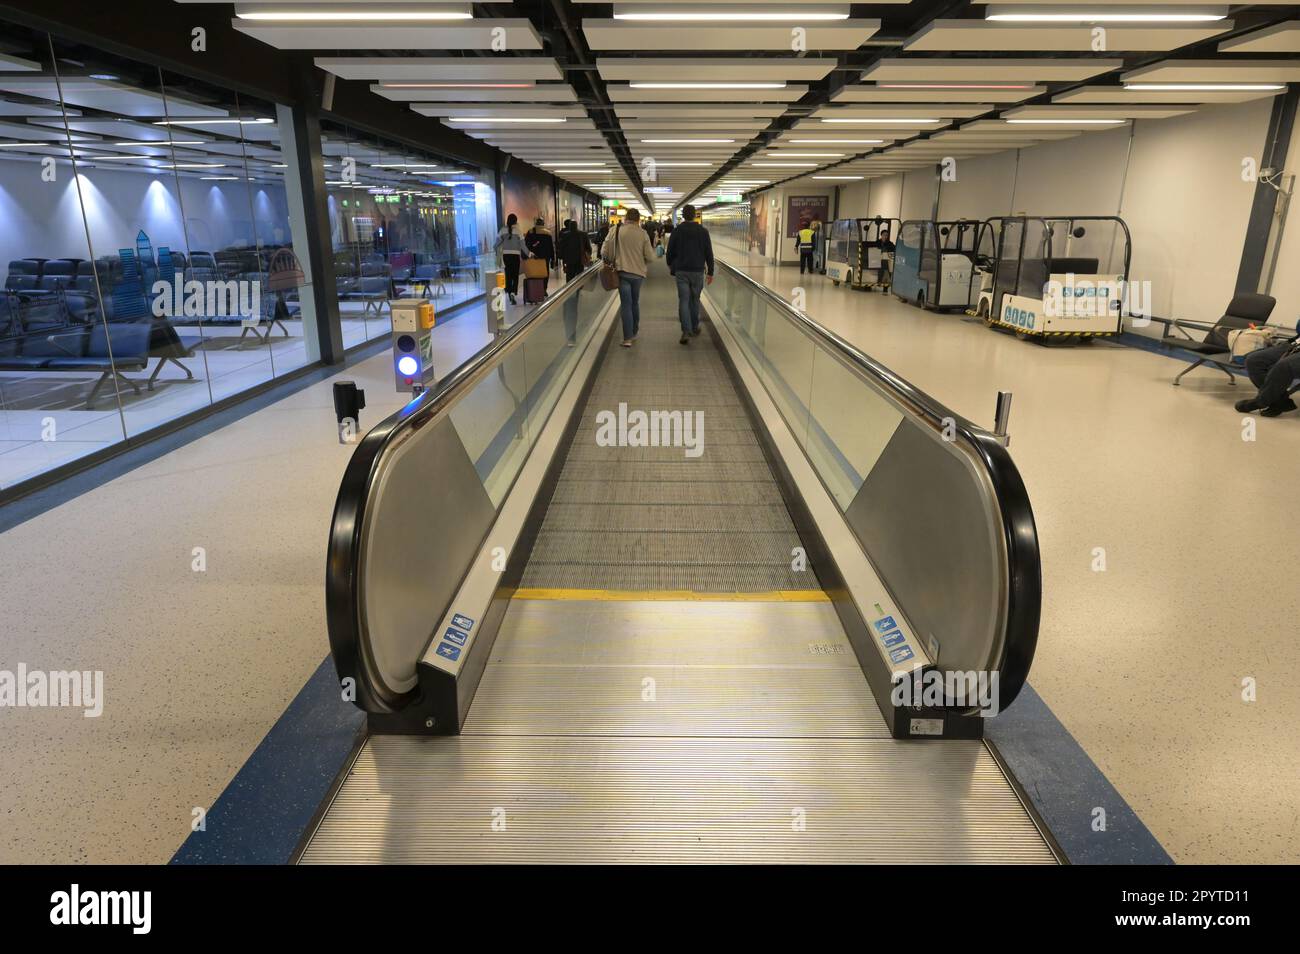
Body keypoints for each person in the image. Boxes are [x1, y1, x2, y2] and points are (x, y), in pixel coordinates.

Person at [600, 209, 655, 347]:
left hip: (622, 273)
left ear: (626, 218)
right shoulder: (643, 234)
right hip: (638, 275)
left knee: (626, 304)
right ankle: (634, 331)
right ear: (638, 220)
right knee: (634, 302)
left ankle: (627, 338)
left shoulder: (615, 230)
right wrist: (641, 262)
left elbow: (604, 251)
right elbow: (650, 256)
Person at [666, 203, 714, 346]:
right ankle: (694, 326)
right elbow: (708, 253)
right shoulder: (703, 232)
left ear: (683, 216)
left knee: (684, 300)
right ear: (694, 215)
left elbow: (670, 251)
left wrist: (671, 264)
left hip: (681, 270)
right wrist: (710, 271)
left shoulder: (677, 231)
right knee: (695, 299)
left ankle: (686, 330)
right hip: (698, 271)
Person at [1235, 334, 1300, 417]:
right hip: (1295, 345)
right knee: (1254, 360)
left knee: (1285, 366)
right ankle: (1279, 401)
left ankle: (1260, 402)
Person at [495, 213, 526, 304]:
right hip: (515, 256)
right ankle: (513, 292)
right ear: (515, 221)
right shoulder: (518, 231)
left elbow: (497, 242)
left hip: (506, 256)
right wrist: (529, 253)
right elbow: (523, 245)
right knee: (515, 275)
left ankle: (508, 291)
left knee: (508, 274)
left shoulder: (502, 230)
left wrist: (494, 250)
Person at [555, 218, 591, 283]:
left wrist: (562, 259)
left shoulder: (564, 235)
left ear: (569, 226)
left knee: (569, 278)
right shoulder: (583, 234)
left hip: (569, 261)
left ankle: (570, 291)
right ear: (577, 225)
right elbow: (588, 247)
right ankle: (578, 290)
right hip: (580, 260)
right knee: (579, 277)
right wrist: (588, 256)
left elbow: (561, 248)